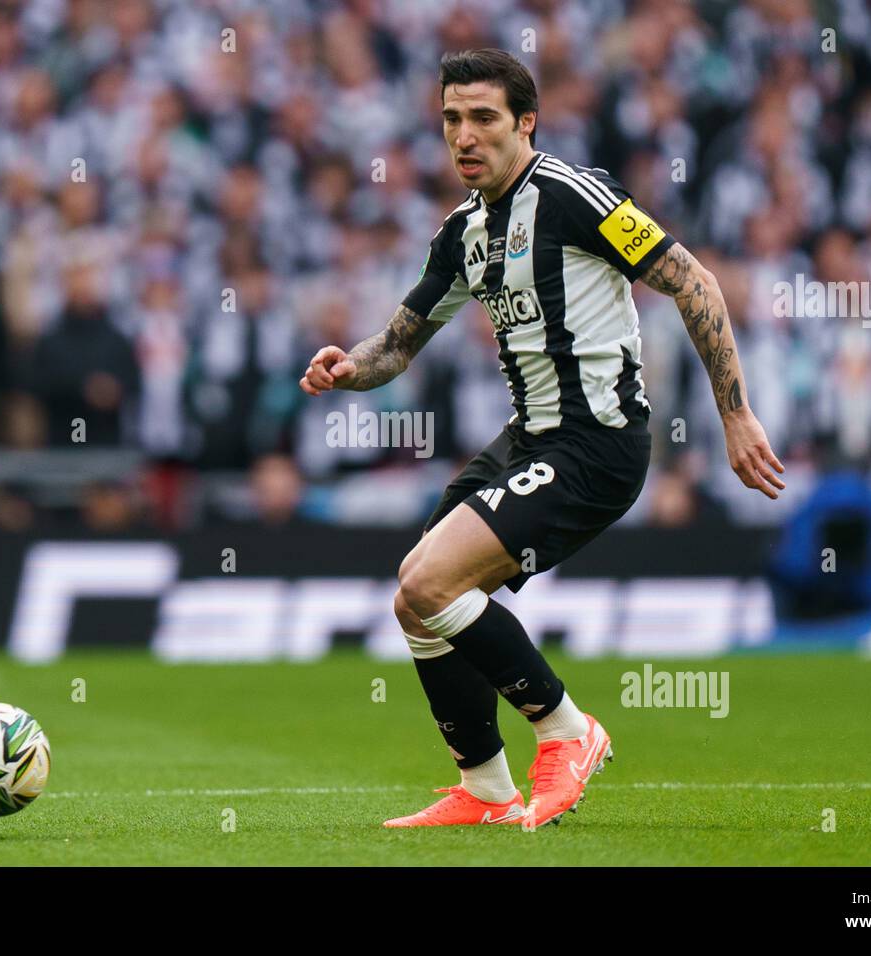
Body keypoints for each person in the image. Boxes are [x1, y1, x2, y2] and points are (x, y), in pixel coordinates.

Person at [300, 49, 785, 829]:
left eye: (484, 118)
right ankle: (487, 791)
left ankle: (569, 731)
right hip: (528, 440)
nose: (465, 135)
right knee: (414, 603)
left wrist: (735, 413)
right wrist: (346, 368)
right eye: (452, 119)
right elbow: (398, 343)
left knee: (430, 584)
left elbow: (693, 281)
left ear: (526, 122)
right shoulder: (464, 230)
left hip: (597, 445)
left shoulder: (570, 195)